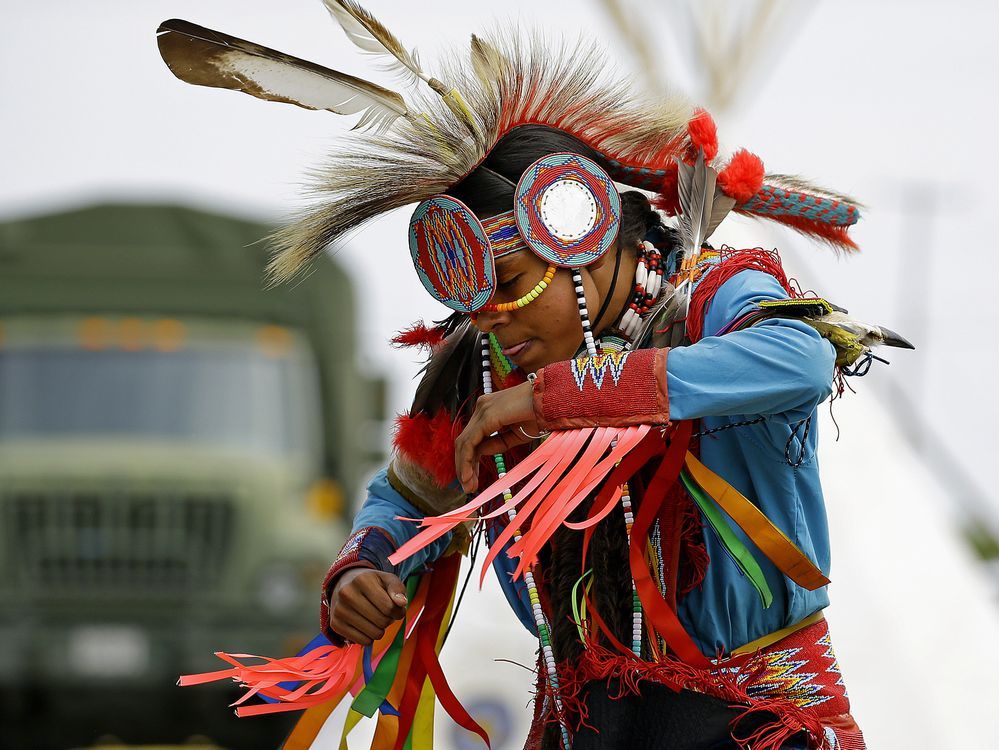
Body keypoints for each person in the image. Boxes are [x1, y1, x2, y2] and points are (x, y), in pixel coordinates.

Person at [159, 5, 909, 748]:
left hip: (761, 724)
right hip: (583, 725)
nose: (489, 319)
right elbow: (410, 495)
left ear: (577, 232)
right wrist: (366, 565)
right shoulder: (482, 366)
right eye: (469, 300)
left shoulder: (716, 297)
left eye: (510, 281)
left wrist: (567, 399)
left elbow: (802, 358)